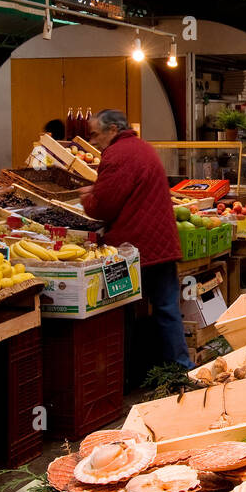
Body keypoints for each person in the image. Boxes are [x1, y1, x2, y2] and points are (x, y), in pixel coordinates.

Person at [81, 109, 192, 368]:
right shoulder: (142, 147)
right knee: (166, 308)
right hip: (160, 243)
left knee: (122, 310)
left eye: (96, 134)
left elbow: (104, 206)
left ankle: (128, 372)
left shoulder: (117, 155)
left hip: (134, 248)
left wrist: (87, 197)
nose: (93, 140)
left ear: (113, 130)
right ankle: (180, 369)